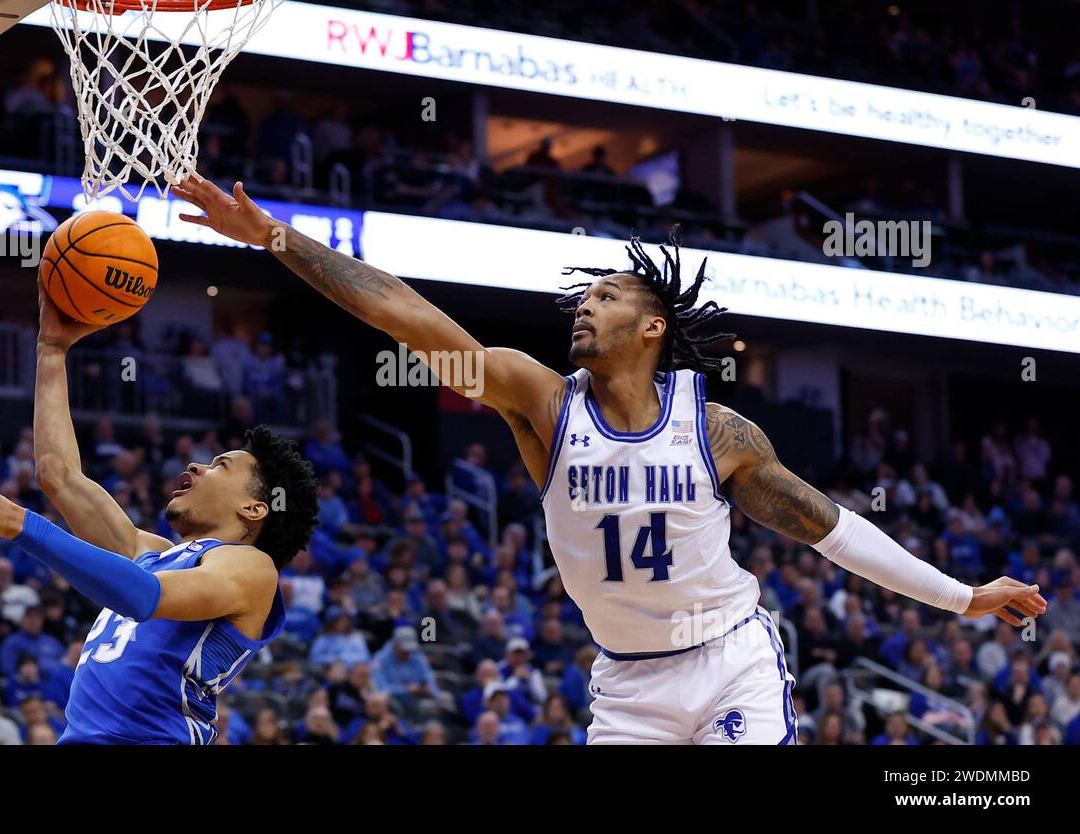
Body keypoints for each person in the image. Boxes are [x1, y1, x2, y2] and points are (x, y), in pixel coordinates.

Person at [173, 175, 1049, 745]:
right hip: (628, 687)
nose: (584, 308)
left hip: (732, 661)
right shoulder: (541, 401)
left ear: (652, 325)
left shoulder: (717, 431)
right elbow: (406, 315)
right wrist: (276, 238)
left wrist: (961, 597)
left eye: (607, 296)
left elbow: (832, 530)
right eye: (583, 297)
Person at [0, 287, 320, 744]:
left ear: (254, 508)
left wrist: (21, 524)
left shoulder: (252, 568)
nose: (196, 466)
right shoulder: (152, 553)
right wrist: (51, 351)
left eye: (220, 465)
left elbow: (143, 595)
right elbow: (58, 476)